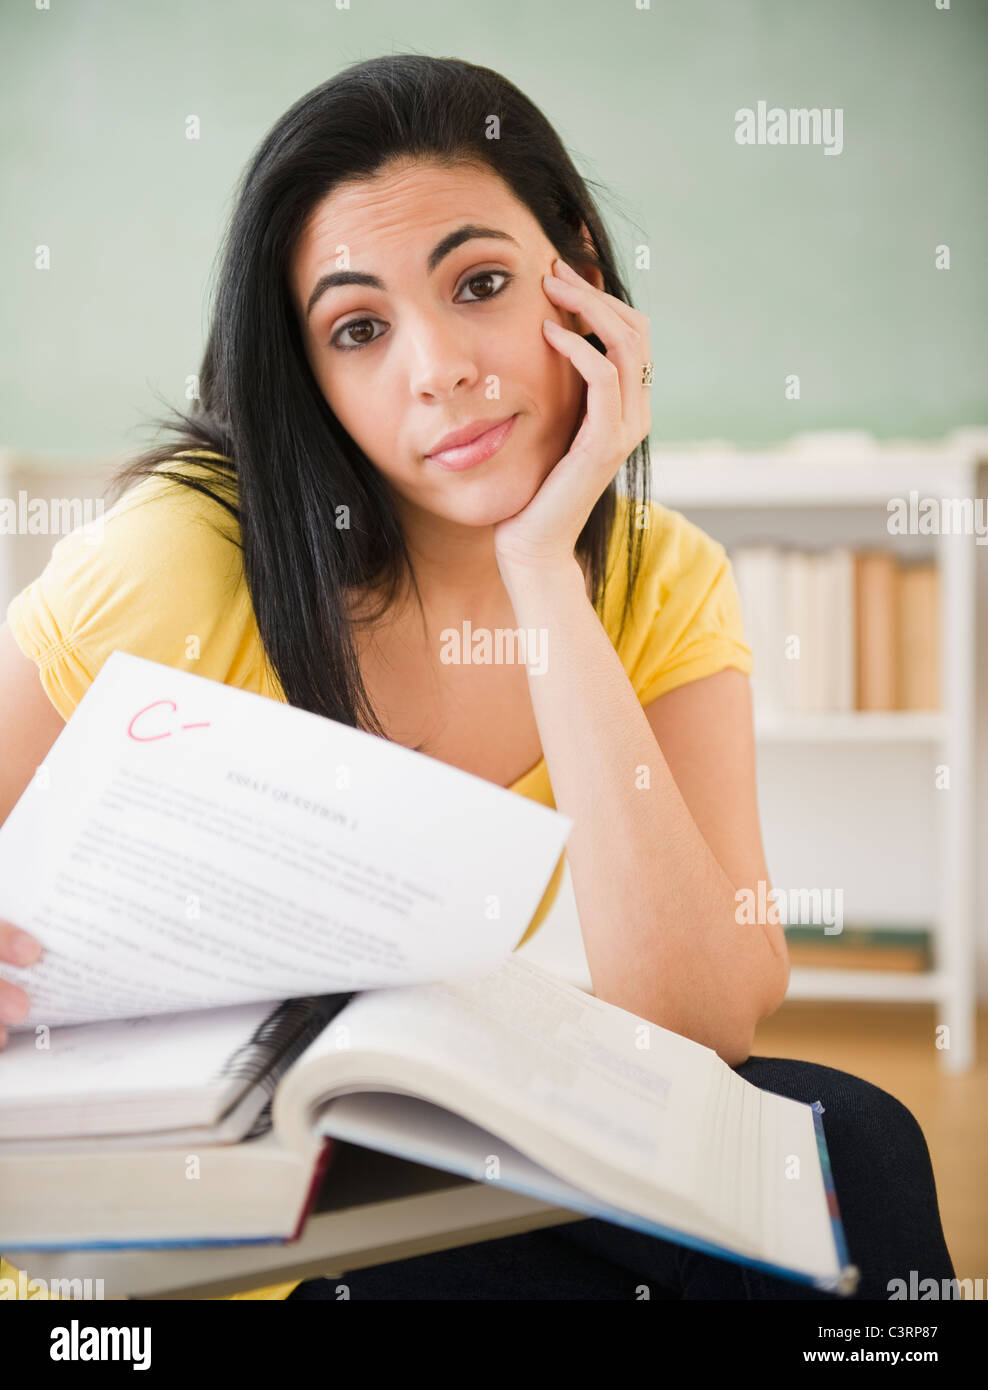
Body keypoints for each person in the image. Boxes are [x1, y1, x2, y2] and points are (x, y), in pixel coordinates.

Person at [0, 55, 954, 1300]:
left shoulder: (660, 578)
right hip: (199, 1216)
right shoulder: (179, 556)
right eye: (358, 329)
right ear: (311, 378)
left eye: (483, 284)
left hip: (452, 1153)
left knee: (860, 1150)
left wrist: (543, 572)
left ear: (583, 282)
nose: (438, 365)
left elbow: (702, 1019)